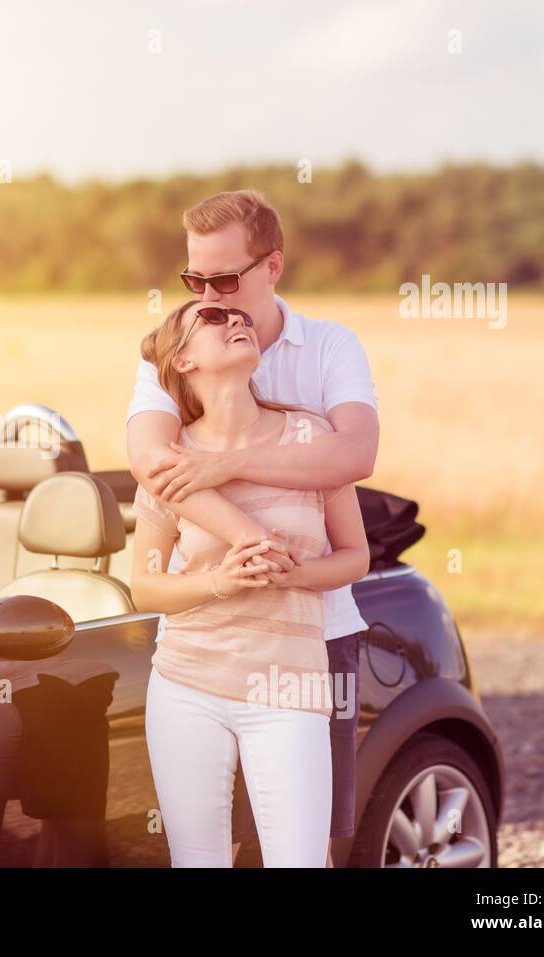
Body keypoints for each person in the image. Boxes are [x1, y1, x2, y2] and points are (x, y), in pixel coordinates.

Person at [126, 189, 380, 866]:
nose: (212, 294)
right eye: (195, 280)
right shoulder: (176, 350)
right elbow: (156, 466)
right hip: (198, 664)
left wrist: (229, 466)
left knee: (312, 849)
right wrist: (246, 547)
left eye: (225, 279)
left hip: (313, 642)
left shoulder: (328, 349)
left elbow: (354, 455)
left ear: (273, 265)